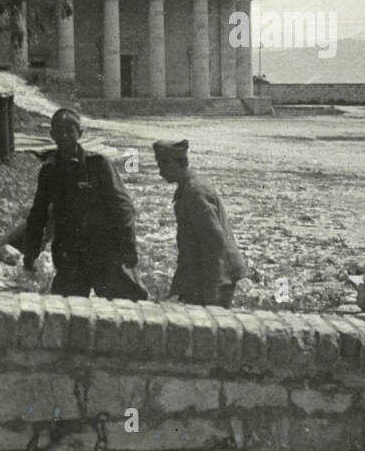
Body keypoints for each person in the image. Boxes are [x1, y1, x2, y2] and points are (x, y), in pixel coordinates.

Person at [19, 106, 148, 300]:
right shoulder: (50, 170)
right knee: (67, 311)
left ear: (79, 133)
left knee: (128, 305)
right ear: (51, 134)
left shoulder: (98, 165)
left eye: (69, 131)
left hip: (104, 251)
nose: (64, 136)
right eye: (58, 131)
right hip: (69, 253)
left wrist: (128, 247)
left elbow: (123, 208)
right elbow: (39, 214)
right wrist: (30, 252)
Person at [152, 139, 247, 308]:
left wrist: (212, 291)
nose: (160, 173)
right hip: (204, 273)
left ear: (175, 163)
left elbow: (215, 241)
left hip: (217, 274)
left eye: (162, 165)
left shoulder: (195, 192)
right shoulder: (188, 188)